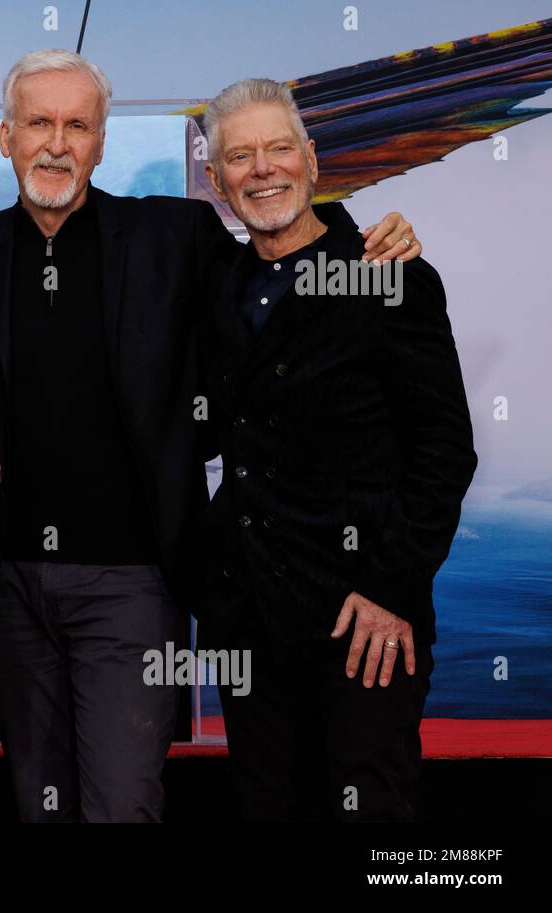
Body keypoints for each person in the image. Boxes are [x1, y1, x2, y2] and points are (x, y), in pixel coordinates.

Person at [0, 49, 421, 822]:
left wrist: (363, 245)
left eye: (78, 125)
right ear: (7, 137)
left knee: (123, 806)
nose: (57, 144)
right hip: (4, 589)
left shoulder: (174, 235)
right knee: (38, 804)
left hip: (133, 584)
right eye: (40, 124)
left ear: (102, 142)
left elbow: (280, 270)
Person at [198, 77, 477, 821]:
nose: (263, 169)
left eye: (279, 149)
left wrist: (391, 588)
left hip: (364, 620)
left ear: (314, 160)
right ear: (216, 180)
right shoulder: (215, 285)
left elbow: (445, 450)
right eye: (241, 156)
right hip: (250, 619)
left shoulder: (389, 275)